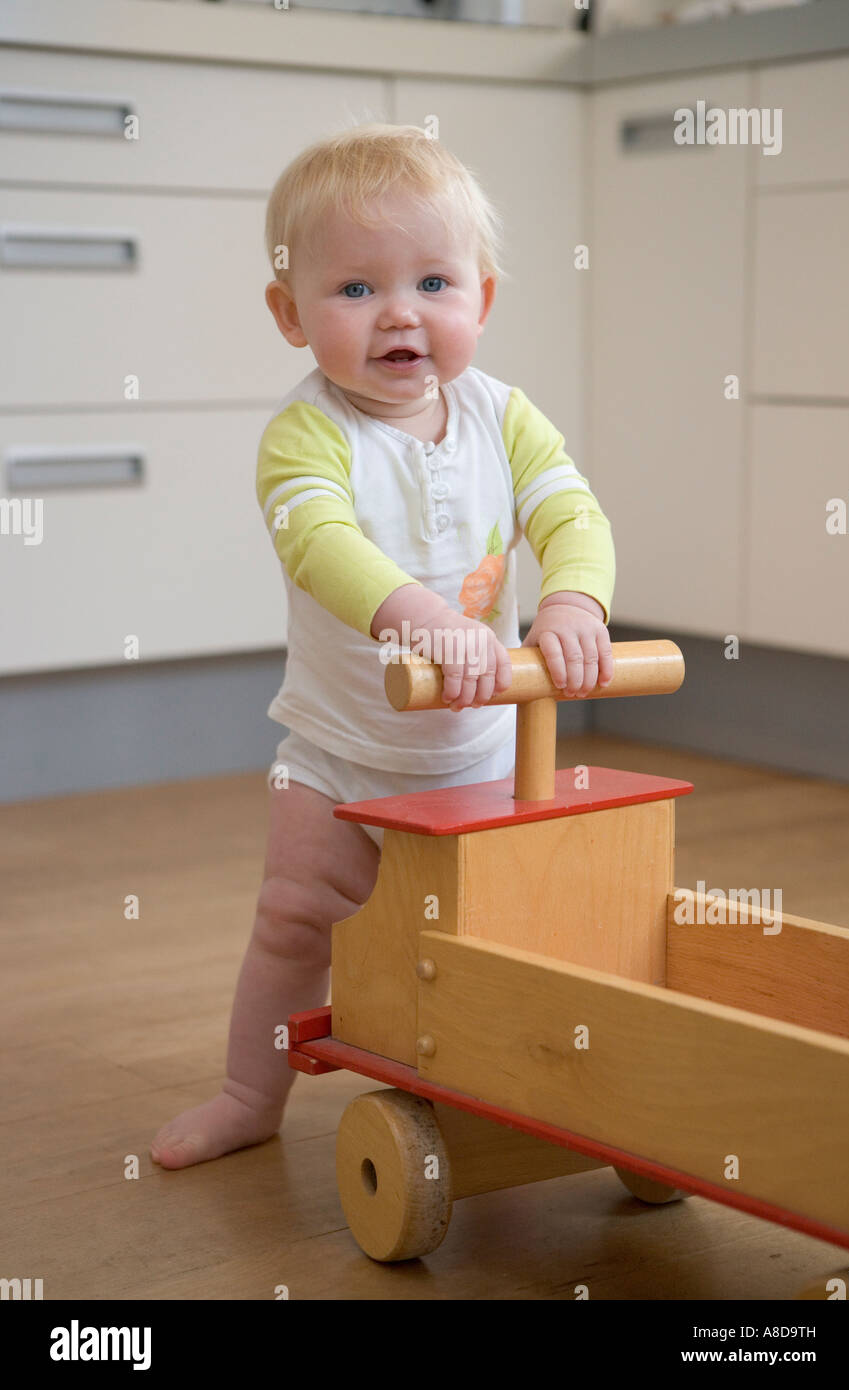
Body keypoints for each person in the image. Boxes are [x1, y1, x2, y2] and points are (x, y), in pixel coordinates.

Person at [151, 123, 615, 1169]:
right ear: (289, 314)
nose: (399, 312)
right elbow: (319, 543)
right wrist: (426, 618)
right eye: (354, 289)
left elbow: (570, 514)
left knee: (486, 944)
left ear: (480, 301)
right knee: (290, 923)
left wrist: (577, 604)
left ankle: (505, 1090)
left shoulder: (503, 417)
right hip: (333, 756)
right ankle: (245, 1092)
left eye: (433, 281)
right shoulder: (306, 436)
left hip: (483, 760)